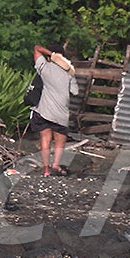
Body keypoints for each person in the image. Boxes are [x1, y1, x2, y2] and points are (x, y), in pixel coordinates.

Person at [30, 44, 78, 176]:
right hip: (61, 113)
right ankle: (56, 165)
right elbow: (75, 91)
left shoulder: (45, 67)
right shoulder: (69, 72)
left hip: (44, 111)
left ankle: (46, 169)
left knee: (45, 139)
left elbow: (37, 48)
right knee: (60, 142)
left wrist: (51, 55)